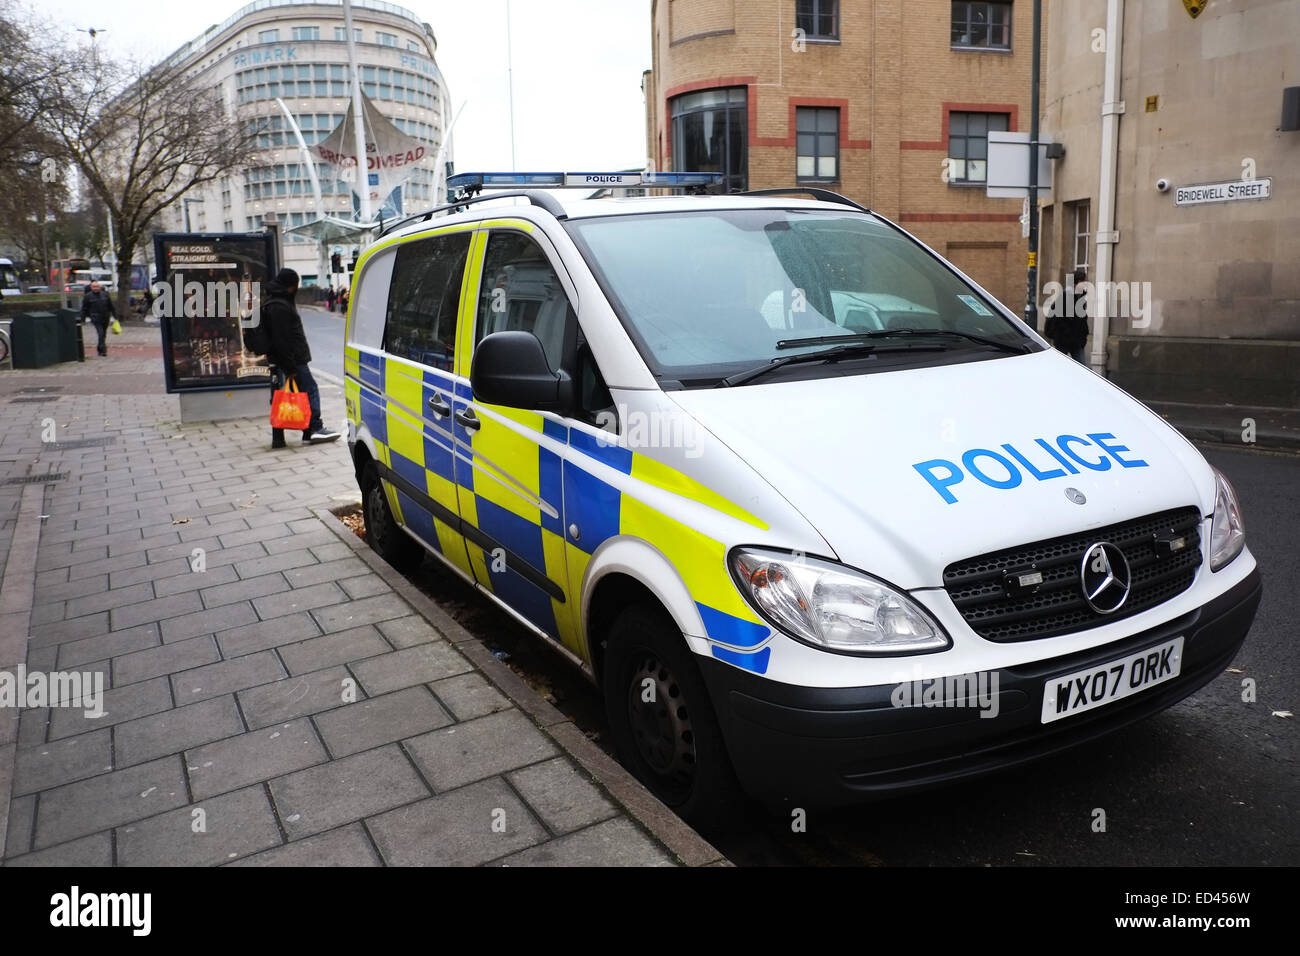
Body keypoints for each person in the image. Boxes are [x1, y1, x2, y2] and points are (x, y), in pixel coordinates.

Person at [263, 267, 340, 447]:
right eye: (294, 286)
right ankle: (315, 428)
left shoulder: (277, 301)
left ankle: (308, 430)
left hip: (292, 359)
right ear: (290, 285)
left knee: (305, 392)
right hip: (294, 360)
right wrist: (290, 367)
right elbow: (282, 340)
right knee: (310, 390)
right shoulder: (279, 306)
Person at [1046, 266, 1090, 363]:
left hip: (1077, 341)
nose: (1086, 283)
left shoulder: (1080, 296)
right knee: (1060, 366)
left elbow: (1082, 319)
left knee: (1081, 367)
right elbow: (1058, 319)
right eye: (1084, 281)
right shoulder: (1065, 297)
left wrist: (1083, 335)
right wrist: (1067, 333)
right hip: (1064, 340)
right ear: (1078, 282)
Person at [79, 279, 116, 356]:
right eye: (94, 287)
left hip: (105, 317)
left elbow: (110, 305)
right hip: (95, 317)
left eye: (97, 286)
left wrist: (115, 316)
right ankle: (103, 350)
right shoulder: (88, 296)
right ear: (91, 287)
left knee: (104, 334)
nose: (96, 288)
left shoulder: (105, 295)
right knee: (100, 333)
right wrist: (83, 319)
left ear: (99, 287)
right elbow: (84, 308)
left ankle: (100, 347)